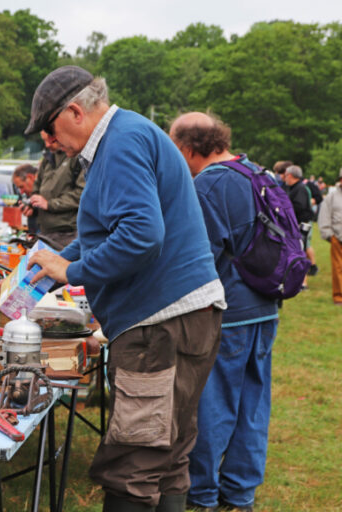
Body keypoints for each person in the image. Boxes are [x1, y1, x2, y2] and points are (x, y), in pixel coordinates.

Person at [24, 65, 224, 512]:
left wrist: (72, 271)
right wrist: (60, 259)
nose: (50, 142)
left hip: (159, 323)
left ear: (74, 112)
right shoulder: (128, 134)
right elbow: (109, 230)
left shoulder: (120, 143)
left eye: (50, 130)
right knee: (168, 454)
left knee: (134, 462)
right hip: (185, 316)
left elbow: (140, 236)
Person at [170, 112, 280, 512]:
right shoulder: (258, 172)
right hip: (265, 306)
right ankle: (239, 494)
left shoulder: (209, 184)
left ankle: (201, 494)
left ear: (187, 148)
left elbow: (201, 257)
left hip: (228, 311)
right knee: (253, 404)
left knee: (212, 404)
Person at [19, 131, 83, 248]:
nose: (47, 144)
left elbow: (81, 194)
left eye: (50, 138)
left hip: (68, 233)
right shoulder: (47, 158)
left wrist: (49, 204)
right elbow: (37, 188)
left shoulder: (77, 157)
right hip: (45, 232)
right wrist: (32, 206)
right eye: (44, 140)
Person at [283, 165, 316, 285]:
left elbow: (299, 206)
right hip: (297, 223)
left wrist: (285, 209)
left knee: (301, 250)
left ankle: (303, 282)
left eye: (286, 175)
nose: (284, 178)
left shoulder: (300, 188)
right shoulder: (294, 188)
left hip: (302, 224)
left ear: (290, 175)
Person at [318, 168, 342, 305]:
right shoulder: (332, 197)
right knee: (338, 268)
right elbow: (324, 215)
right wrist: (329, 235)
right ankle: (339, 296)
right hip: (337, 237)